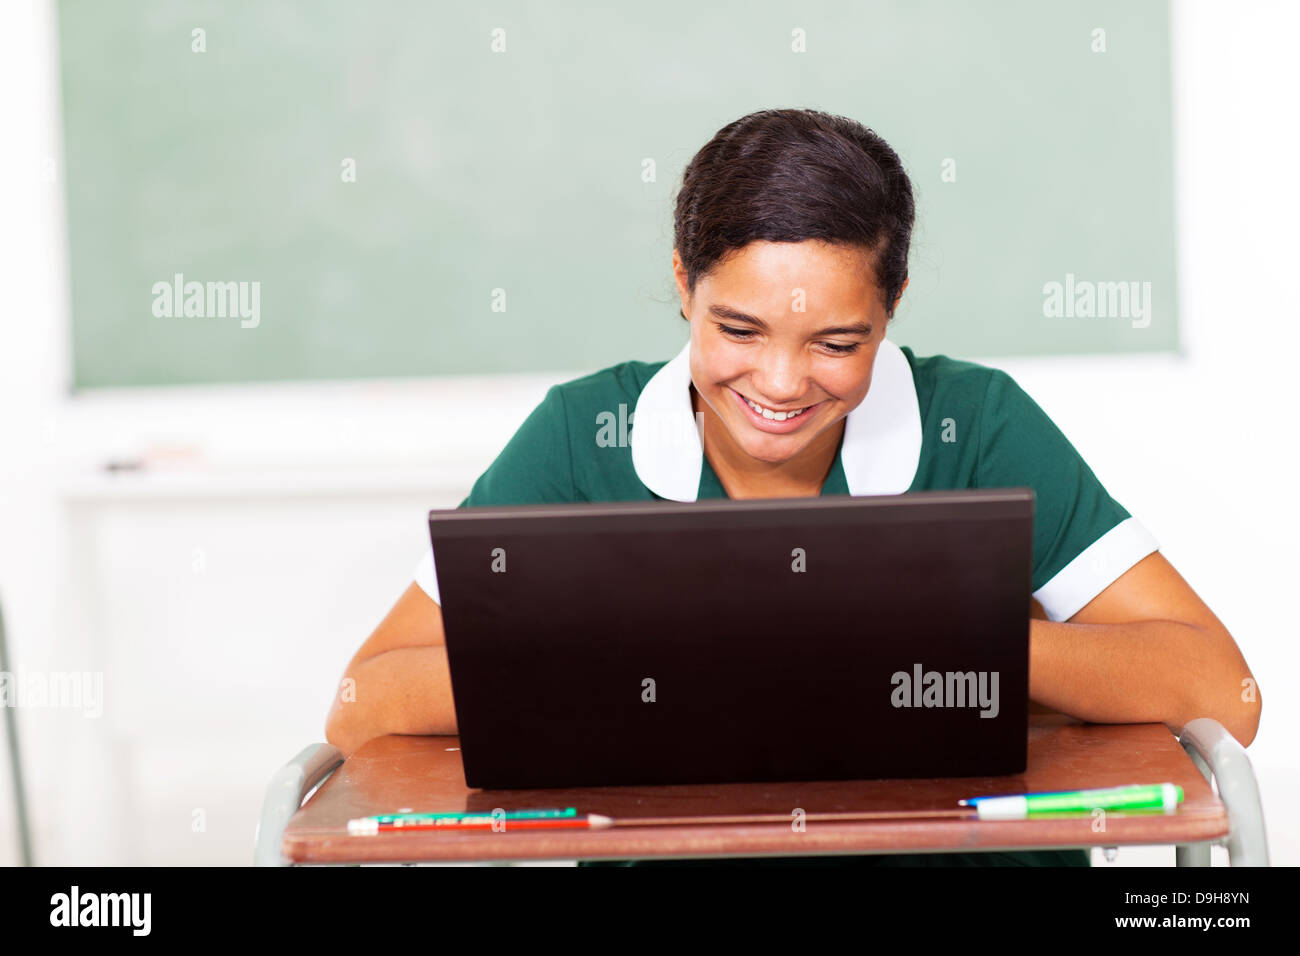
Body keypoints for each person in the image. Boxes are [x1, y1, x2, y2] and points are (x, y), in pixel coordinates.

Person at [325, 108, 1260, 866]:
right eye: (738, 330)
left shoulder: (974, 422)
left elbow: (1229, 692)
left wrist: (961, 647)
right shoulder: (588, 435)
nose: (779, 384)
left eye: (837, 343)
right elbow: (362, 703)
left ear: (892, 308)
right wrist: (654, 657)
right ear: (684, 284)